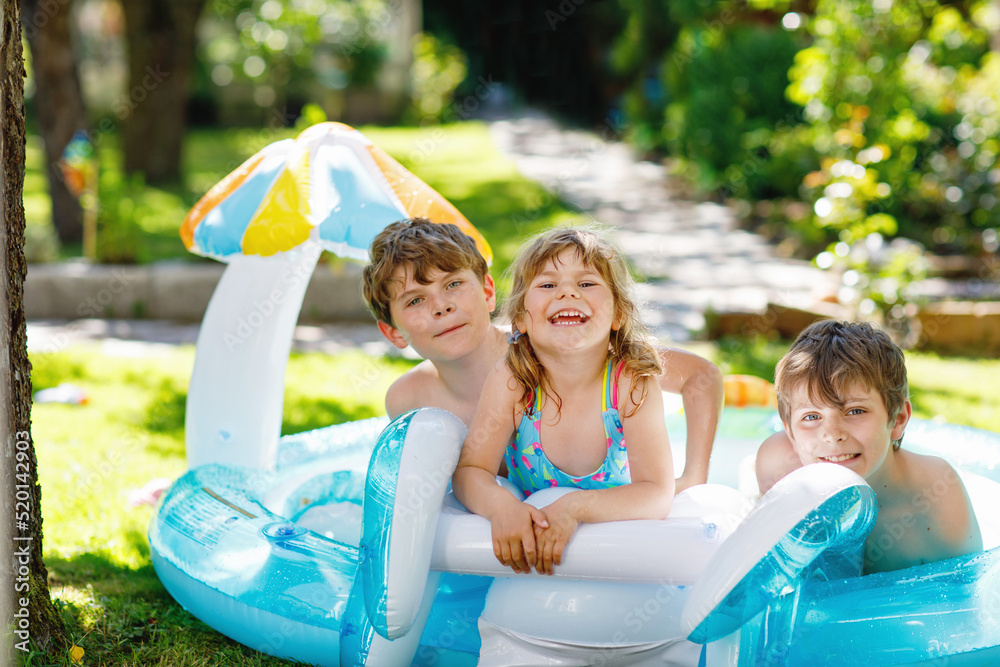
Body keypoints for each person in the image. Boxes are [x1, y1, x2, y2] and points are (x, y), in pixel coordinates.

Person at [361, 218, 724, 492]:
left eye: (453, 284)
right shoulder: (408, 400)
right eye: (416, 300)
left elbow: (702, 376)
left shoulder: (557, 348)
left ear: (488, 291)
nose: (441, 307)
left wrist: (693, 477)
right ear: (393, 332)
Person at [452, 227, 676, 576]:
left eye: (586, 284)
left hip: (615, 549)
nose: (568, 292)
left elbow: (657, 493)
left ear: (617, 314)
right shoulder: (514, 382)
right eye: (547, 285)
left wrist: (575, 507)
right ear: (522, 319)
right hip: (535, 561)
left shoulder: (631, 384)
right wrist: (501, 508)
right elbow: (470, 472)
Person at [755, 320, 982, 574]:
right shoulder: (779, 468)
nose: (832, 435)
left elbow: (967, 596)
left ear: (897, 419)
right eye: (811, 416)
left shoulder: (936, 497)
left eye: (855, 411)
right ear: (790, 432)